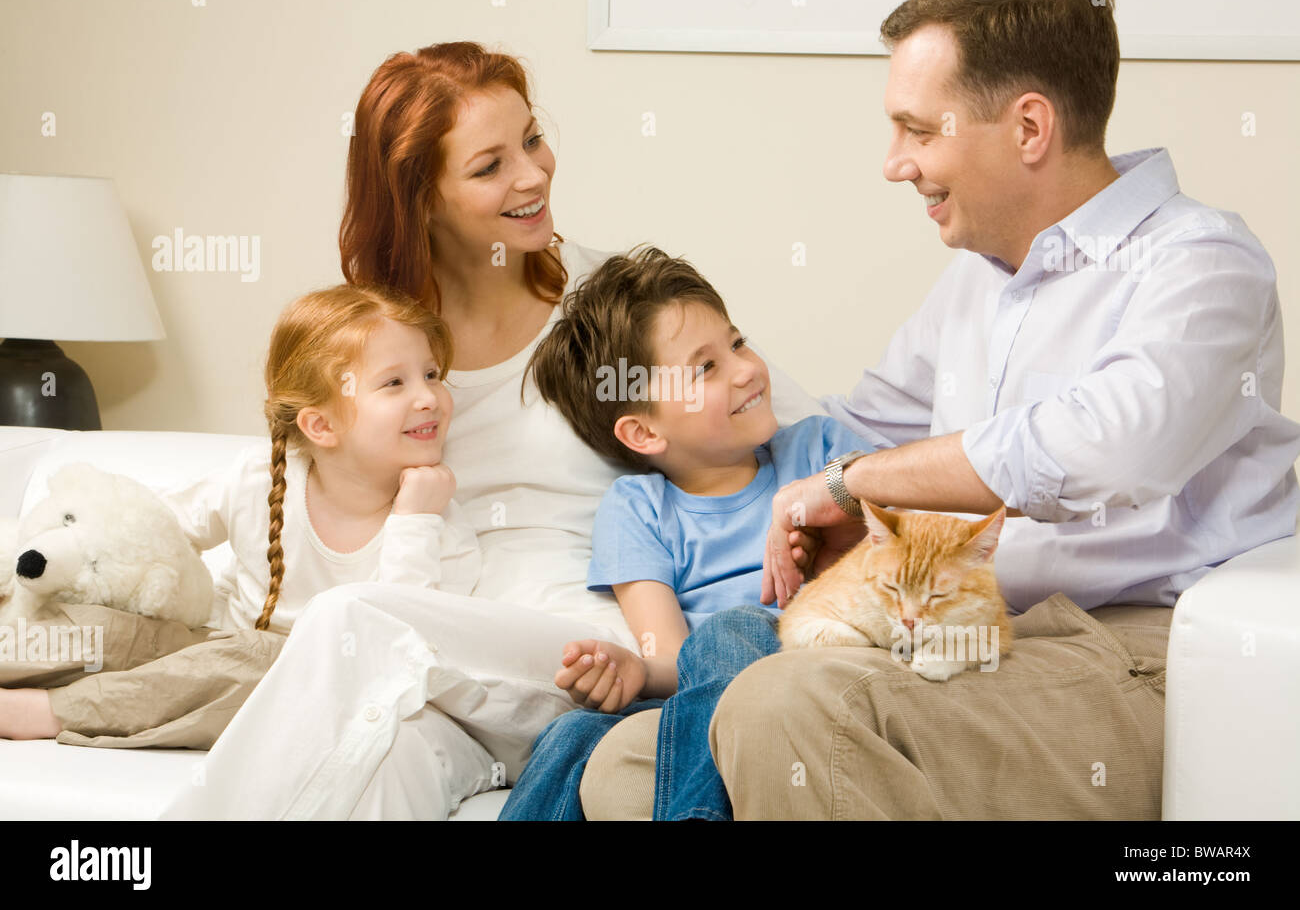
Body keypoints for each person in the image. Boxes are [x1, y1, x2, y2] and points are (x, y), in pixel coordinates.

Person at [577, 0, 1300, 820]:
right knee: (627, 762)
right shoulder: (978, 281)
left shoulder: (1201, 262)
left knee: (779, 711)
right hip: (962, 635)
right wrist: (683, 428)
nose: (894, 163)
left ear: (1029, 127)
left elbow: (1105, 448)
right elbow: (848, 428)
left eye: (918, 131)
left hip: (1133, 652)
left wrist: (856, 483)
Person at [160, 43, 823, 819]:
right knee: (380, 767)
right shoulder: (379, 348)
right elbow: (289, 483)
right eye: (489, 166)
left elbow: (768, 421)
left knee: (355, 619)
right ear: (420, 199)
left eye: (533, 141)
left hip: (576, 652)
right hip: (441, 671)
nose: (534, 175)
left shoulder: (610, 306)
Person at [0, 284, 490, 810]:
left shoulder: (436, 525)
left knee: (247, 663)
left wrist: (415, 518)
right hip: (212, 648)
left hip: (306, 693)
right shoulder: (259, 477)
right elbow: (155, 531)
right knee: (113, 633)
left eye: (433, 374)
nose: (428, 396)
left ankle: (49, 711)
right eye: (395, 382)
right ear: (320, 424)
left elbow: (399, 650)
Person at [496, 246, 873, 820]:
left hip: (809, 661)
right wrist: (636, 671)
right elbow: (670, 654)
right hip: (697, 686)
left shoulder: (818, 450)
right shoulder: (638, 508)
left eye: (738, 342)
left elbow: (902, 546)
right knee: (570, 733)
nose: (747, 368)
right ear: (643, 433)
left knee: (730, 630)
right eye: (706, 368)